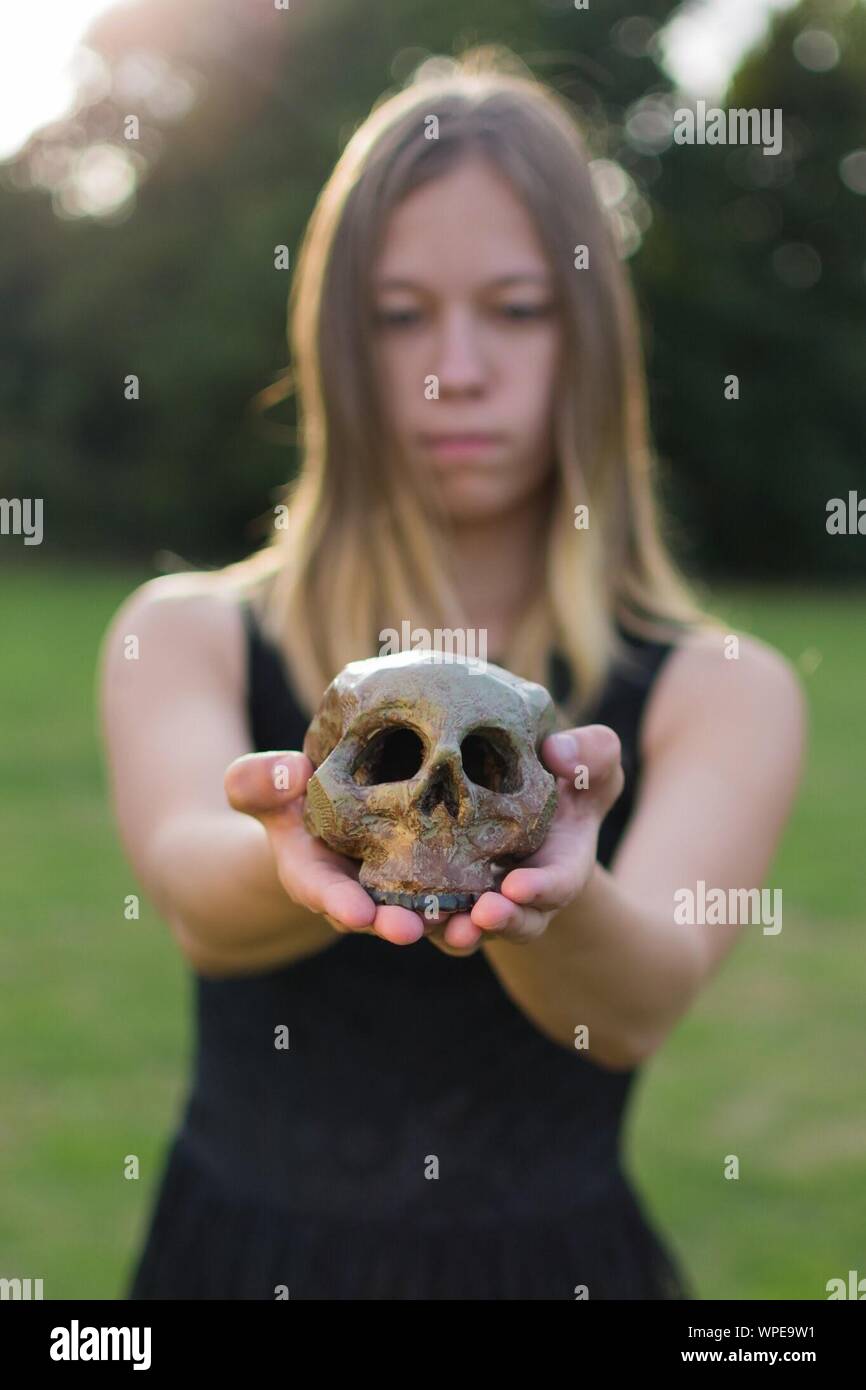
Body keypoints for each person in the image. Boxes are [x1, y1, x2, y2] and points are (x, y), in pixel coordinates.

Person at [99, 49, 806, 1300]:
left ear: (587, 335)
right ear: (333, 338)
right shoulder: (186, 632)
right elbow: (197, 898)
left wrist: (552, 891)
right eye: (399, 312)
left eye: (517, 308)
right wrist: (290, 847)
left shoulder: (722, 687)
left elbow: (636, 1003)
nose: (455, 368)